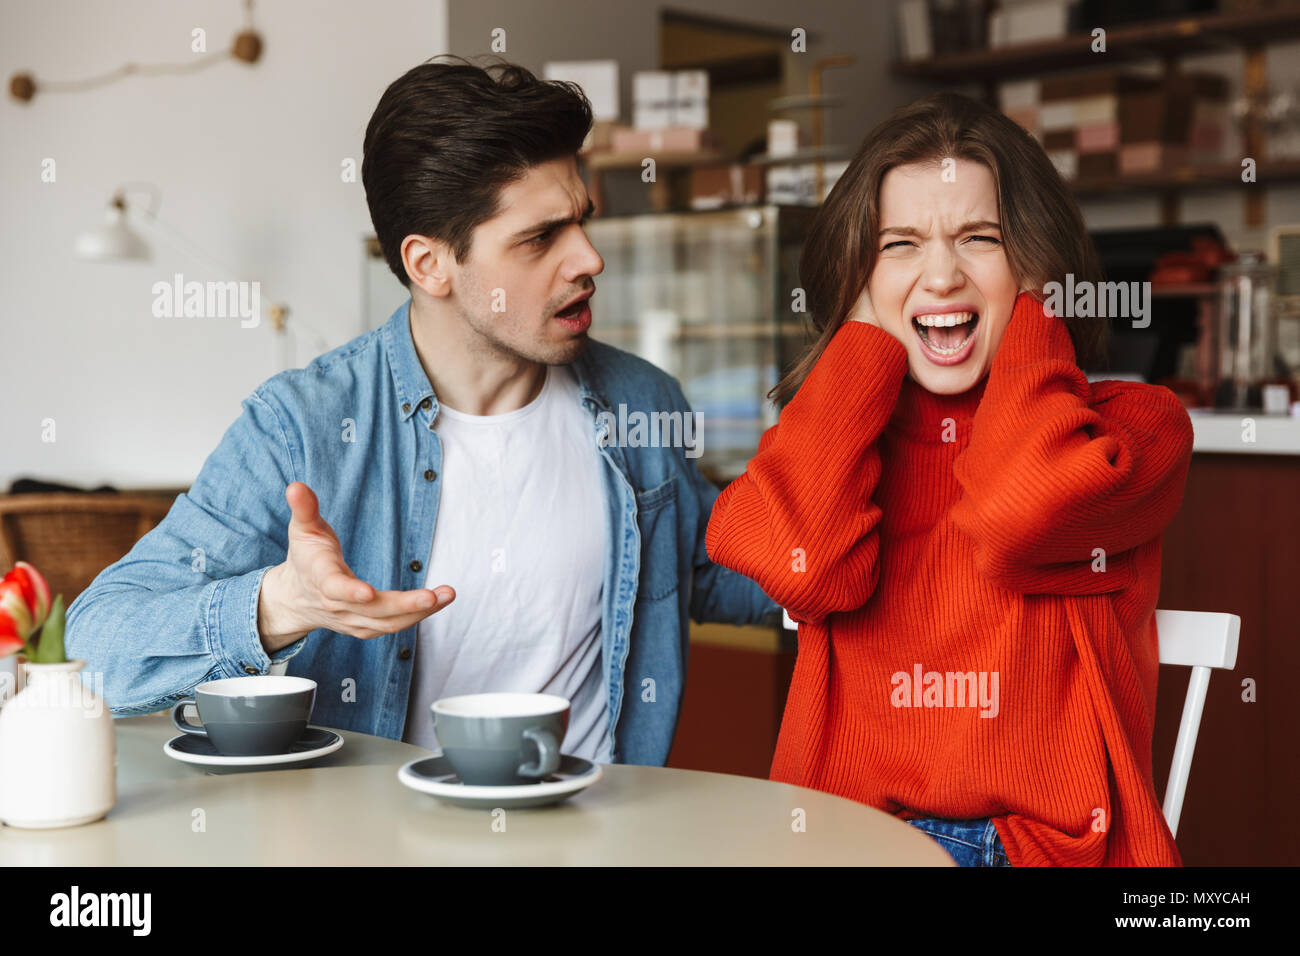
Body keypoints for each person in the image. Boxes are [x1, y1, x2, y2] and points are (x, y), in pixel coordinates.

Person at [66, 58, 779, 766]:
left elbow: (706, 570)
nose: (589, 258)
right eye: (540, 237)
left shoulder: (640, 402)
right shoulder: (303, 426)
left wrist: (861, 546)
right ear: (429, 264)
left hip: (598, 832)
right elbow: (98, 647)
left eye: (583, 223)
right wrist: (283, 603)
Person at [705, 92, 1192, 866]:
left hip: (1042, 851)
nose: (940, 275)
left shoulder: (1133, 432)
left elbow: (1016, 517)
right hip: (851, 840)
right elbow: (810, 566)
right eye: (899, 244)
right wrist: (863, 340)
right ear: (857, 273)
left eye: (982, 239)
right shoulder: (844, 442)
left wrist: (1032, 310)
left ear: (1037, 260)